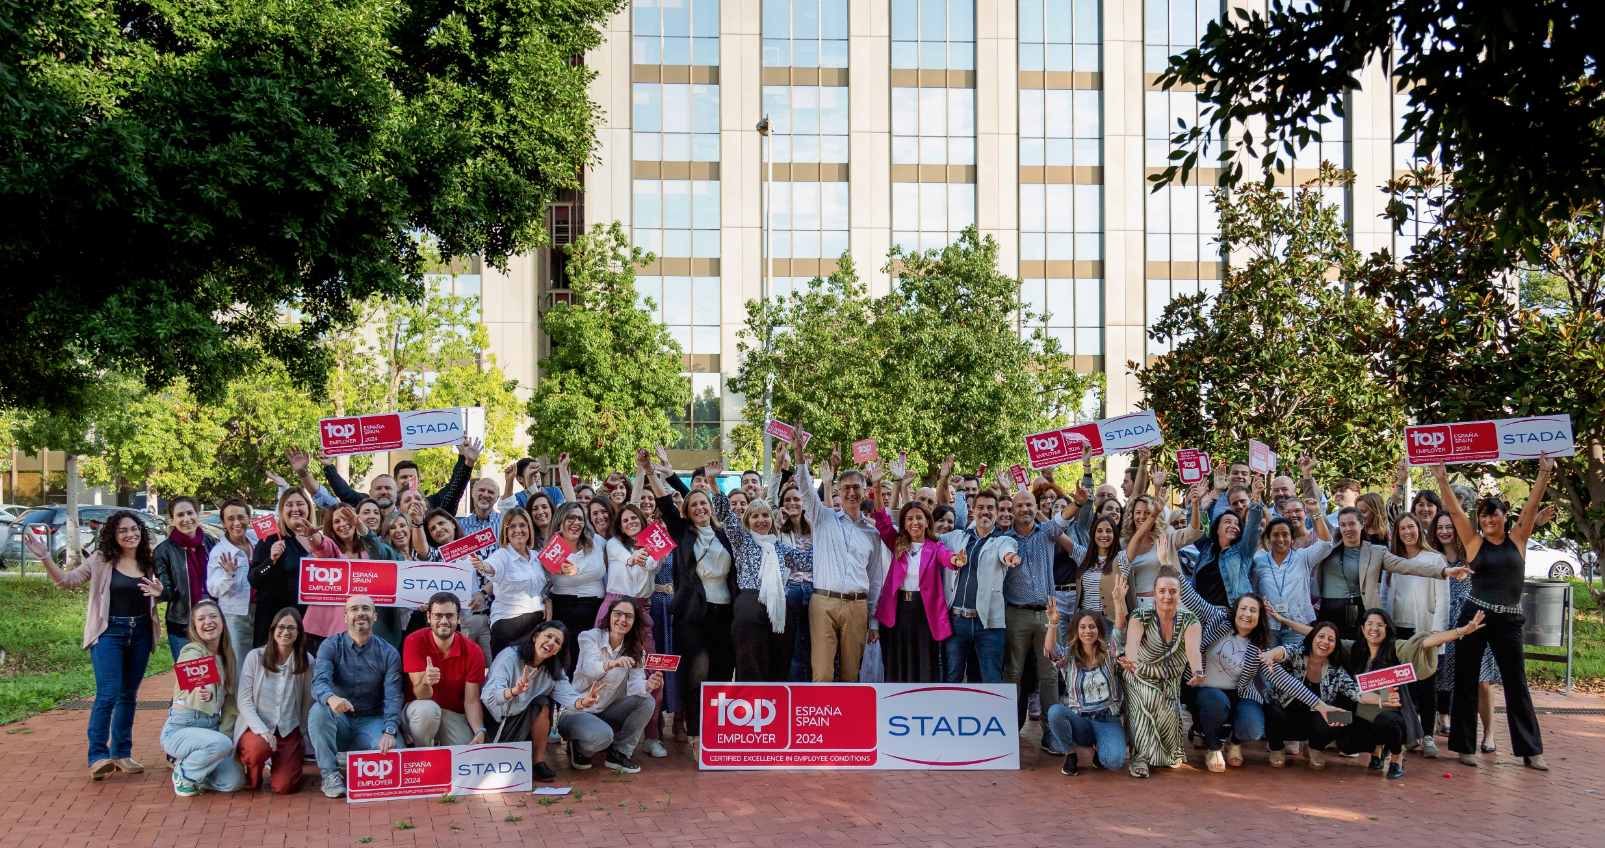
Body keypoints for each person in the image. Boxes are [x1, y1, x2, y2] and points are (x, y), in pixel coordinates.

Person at [1433, 457, 1552, 770]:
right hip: (1475, 618)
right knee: (1466, 679)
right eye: (1483, 515)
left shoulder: (1518, 540)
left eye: (1493, 514)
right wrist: (1442, 478)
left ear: (1504, 517)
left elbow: (1532, 506)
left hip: (1509, 620)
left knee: (1517, 683)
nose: (1487, 519)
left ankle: (1531, 751)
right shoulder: (1474, 542)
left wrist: (1544, 471)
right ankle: (1464, 747)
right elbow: (1455, 512)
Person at [28, 510, 162, 779]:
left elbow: (163, 592)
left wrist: (160, 594)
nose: (130, 534)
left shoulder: (149, 561)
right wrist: (45, 557)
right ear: (113, 535)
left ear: (141, 531)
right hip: (108, 632)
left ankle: (121, 753)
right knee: (108, 694)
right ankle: (98, 756)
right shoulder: (101, 560)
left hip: (141, 633)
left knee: (128, 695)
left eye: (134, 528)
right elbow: (67, 582)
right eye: (123, 530)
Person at [1280, 607, 1482, 779]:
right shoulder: (1355, 649)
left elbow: (1426, 642)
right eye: (1369, 624)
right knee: (1341, 736)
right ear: (1363, 628)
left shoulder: (1396, 648)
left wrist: (1461, 631)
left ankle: (1396, 758)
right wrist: (1283, 621)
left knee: (1385, 721)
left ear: (1387, 628)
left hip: (1391, 715)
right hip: (1361, 715)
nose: (1374, 629)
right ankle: (1373, 749)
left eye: (1380, 625)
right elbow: (1318, 635)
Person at [650, 458, 735, 749]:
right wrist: (650, 472)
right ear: (687, 511)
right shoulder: (683, 532)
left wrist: (710, 481)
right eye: (694, 505)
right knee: (698, 676)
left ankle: (718, 732)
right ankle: (697, 736)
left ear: (711, 507)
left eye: (704, 503)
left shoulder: (725, 534)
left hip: (725, 613)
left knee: (722, 674)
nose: (700, 508)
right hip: (693, 615)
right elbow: (665, 504)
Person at [789, 431, 883, 684]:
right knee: (822, 674)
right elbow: (806, 491)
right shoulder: (823, 518)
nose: (851, 493)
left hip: (857, 607)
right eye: (846, 488)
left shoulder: (872, 534)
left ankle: (847, 713)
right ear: (838, 492)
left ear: (864, 491)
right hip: (823, 603)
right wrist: (798, 453)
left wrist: (874, 622)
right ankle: (823, 712)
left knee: (851, 675)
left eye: (856, 488)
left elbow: (875, 580)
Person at [710, 463, 813, 682]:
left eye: (765, 515)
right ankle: (751, 703)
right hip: (750, 605)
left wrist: (814, 533)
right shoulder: (742, 540)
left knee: (779, 668)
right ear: (747, 521)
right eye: (755, 516)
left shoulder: (779, 546)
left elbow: (806, 562)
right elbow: (726, 514)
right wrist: (712, 482)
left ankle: (775, 702)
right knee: (752, 668)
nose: (760, 520)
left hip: (780, 607)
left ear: (772, 520)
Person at [1000, 483, 1083, 743]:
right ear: (1012, 510)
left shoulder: (1047, 532)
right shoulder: (1005, 540)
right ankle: (1007, 732)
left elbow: (1063, 517)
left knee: (1049, 675)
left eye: (1028, 505)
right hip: (1017, 614)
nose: (1024, 509)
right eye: (1019, 505)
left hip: (1048, 615)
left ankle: (1051, 733)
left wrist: (1078, 502)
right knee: (1013, 673)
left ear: (1036, 508)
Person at [1311, 505, 1468, 641]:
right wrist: (1311, 495)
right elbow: (1318, 519)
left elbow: (1408, 565)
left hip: (1362, 617)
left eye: (1352, 524)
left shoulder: (1376, 552)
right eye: (1343, 525)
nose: (1348, 529)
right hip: (1329, 615)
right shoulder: (1328, 546)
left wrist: (1444, 570)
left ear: (1362, 524)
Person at [308, 594, 405, 798]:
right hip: (340, 722)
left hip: (372, 722)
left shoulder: (389, 653)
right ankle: (330, 775)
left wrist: (389, 731)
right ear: (345, 617)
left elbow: (393, 697)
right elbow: (318, 683)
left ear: (375, 616)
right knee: (319, 710)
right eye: (354, 609)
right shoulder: (330, 646)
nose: (360, 613)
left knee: (395, 755)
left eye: (366, 609)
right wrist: (331, 698)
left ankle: (359, 761)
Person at [872, 488, 964, 684]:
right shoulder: (897, 542)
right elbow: (881, 520)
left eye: (919, 518)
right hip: (897, 610)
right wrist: (877, 487)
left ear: (927, 521)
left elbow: (947, 557)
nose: (915, 522)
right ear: (904, 523)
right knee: (896, 662)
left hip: (924, 612)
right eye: (910, 518)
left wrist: (956, 560)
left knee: (924, 663)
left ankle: (923, 700)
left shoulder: (935, 546)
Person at [564, 598, 665, 773]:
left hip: (606, 712)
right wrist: (612, 663)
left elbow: (635, 685)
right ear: (609, 615)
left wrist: (647, 685)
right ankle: (579, 748)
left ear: (634, 621)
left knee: (647, 700)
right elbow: (588, 669)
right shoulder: (590, 637)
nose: (622, 620)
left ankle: (619, 753)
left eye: (628, 616)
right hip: (577, 711)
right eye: (618, 614)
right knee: (603, 737)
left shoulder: (635, 649)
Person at [1117, 574, 1202, 778]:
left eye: (1173, 591)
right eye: (1162, 591)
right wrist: (1132, 662)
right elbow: (1132, 642)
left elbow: (1193, 649)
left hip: (1170, 677)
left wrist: (1197, 671)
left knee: (1169, 753)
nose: (1167, 596)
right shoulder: (1141, 615)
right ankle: (1139, 758)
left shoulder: (1190, 619)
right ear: (1154, 594)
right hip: (1139, 673)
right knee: (1148, 698)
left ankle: (1164, 751)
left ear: (1180, 594)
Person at [159, 599, 246, 795]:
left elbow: (230, 705)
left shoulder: (228, 656)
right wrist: (202, 690)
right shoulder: (192, 651)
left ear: (222, 621)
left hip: (212, 729)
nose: (208, 622)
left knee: (233, 781)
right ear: (194, 626)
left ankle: (197, 771)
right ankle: (183, 773)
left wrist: (225, 736)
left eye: (213, 616)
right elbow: (193, 675)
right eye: (201, 619)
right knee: (220, 744)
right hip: (182, 729)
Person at [935, 488, 1021, 684]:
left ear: (996, 512)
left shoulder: (1004, 540)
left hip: (989, 622)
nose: (985, 511)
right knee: (952, 677)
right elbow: (930, 539)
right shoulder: (956, 537)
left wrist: (1009, 557)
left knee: (991, 679)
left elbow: (1007, 551)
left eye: (990, 508)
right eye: (980, 507)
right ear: (972, 510)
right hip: (956, 620)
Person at [1431, 511, 1501, 748]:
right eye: (1439, 527)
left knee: (1482, 680)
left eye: (1449, 526)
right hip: (1443, 622)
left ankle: (1488, 733)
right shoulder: (1432, 557)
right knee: (1439, 677)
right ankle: (1435, 730)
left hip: (1473, 619)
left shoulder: (1473, 555)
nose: (1444, 531)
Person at [1383, 512, 1450, 758]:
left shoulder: (1434, 558)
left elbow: (1443, 598)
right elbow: (1384, 593)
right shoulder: (1392, 560)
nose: (1407, 532)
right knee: (1400, 684)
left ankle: (1428, 736)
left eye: (1411, 527)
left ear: (1419, 529)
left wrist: (1437, 631)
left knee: (1426, 683)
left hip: (1424, 629)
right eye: (1402, 529)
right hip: (1398, 629)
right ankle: (1408, 734)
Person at [482, 620, 577, 781]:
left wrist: (584, 701)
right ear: (535, 636)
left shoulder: (553, 668)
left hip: (522, 720)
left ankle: (537, 761)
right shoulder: (509, 656)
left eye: (557, 641)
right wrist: (513, 691)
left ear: (558, 650)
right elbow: (489, 696)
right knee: (541, 702)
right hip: (497, 723)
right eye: (548, 636)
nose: (551, 643)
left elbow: (568, 695)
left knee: (543, 702)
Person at [1043, 599, 1127, 775]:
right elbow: (1051, 651)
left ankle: (1099, 747)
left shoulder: (1108, 653)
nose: (1087, 631)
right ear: (1076, 631)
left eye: (1092, 627)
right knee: (1055, 712)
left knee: (1113, 762)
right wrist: (1053, 624)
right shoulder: (1069, 656)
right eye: (1082, 627)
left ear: (1099, 630)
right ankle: (1070, 753)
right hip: (1081, 720)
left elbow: (1119, 632)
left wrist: (1119, 605)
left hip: (1107, 720)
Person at [1262, 620, 1361, 769]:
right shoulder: (1297, 653)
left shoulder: (1336, 670)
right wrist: (1270, 654)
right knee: (1270, 708)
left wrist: (1381, 700)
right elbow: (1283, 651)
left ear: (1335, 645)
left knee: (1342, 716)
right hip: (1285, 714)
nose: (1325, 642)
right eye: (1321, 636)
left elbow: (1356, 692)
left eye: (1331, 639)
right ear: (1312, 638)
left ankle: (1315, 748)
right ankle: (1276, 748)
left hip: (1312, 720)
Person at [235, 607, 314, 794]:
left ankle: (289, 762)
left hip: (288, 729)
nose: (285, 632)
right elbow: (244, 700)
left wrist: (301, 732)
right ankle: (253, 775)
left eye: (291, 628)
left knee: (284, 787)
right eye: (281, 627)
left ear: (299, 632)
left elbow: (307, 700)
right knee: (257, 749)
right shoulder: (255, 657)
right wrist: (262, 730)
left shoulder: (306, 660)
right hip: (258, 728)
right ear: (273, 630)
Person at [402, 592, 488, 747]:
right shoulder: (414, 640)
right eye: (438, 616)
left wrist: (479, 730)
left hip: (453, 714)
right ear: (429, 617)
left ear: (459, 617)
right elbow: (421, 695)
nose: (444, 621)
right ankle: (422, 755)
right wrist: (426, 681)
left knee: (467, 750)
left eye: (449, 616)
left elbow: (472, 701)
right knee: (427, 710)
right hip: (419, 710)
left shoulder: (473, 650)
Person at [322, 437, 481, 515]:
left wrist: (464, 459)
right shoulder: (376, 503)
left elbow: (454, 487)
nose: (408, 481)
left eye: (412, 477)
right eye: (403, 477)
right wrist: (329, 466)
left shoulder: (432, 503)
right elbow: (345, 494)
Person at [248, 489, 324, 648]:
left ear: (309, 508)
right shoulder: (270, 539)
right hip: (278, 623)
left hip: (311, 623)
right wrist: (271, 560)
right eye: (289, 505)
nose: (295, 509)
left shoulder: (320, 539)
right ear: (282, 510)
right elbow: (254, 579)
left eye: (300, 504)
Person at [473, 508, 551, 659]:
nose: (518, 530)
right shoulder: (502, 555)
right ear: (506, 532)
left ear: (529, 528)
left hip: (537, 625)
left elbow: (546, 585)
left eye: (522, 525)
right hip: (510, 626)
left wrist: (547, 600)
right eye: (512, 527)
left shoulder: (537, 556)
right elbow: (491, 567)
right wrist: (482, 566)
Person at [1252, 510, 1334, 650]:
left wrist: (1316, 512)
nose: (1281, 539)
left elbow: (1326, 544)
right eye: (1275, 535)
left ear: (1292, 537)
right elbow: (1253, 592)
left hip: (1297, 624)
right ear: (1268, 537)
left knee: (1295, 661)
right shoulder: (1258, 562)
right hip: (1269, 625)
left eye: (1285, 535)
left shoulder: (1303, 557)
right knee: (1269, 661)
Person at [545, 501, 608, 674]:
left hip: (595, 612)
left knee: (593, 662)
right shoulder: (552, 547)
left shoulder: (597, 542)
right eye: (571, 518)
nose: (576, 523)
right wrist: (545, 598)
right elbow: (537, 580)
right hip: (564, 611)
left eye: (580, 519)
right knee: (568, 664)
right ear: (560, 520)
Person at [154, 496, 218, 659]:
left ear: (197, 514)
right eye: (180, 515)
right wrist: (161, 591)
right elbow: (167, 593)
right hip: (182, 624)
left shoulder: (209, 541)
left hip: (213, 622)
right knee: (191, 672)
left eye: (190, 513)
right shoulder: (163, 551)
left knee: (218, 670)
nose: (187, 519)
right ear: (172, 520)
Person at [1190, 477, 1265, 608]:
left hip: (1230, 614)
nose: (1233, 526)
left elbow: (1253, 527)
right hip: (1201, 612)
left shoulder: (1243, 550)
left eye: (1237, 524)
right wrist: (1197, 506)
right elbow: (1193, 529)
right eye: (1227, 522)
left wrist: (1256, 498)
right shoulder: (1206, 547)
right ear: (1217, 528)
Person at [205, 499, 256, 661]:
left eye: (241, 517)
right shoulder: (219, 552)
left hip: (262, 611)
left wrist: (283, 489)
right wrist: (228, 575)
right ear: (223, 523)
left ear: (249, 518)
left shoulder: (256, 541)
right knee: (239, 661)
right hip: (236, 615)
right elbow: (213, 589)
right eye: (230, 519)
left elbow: (276, 521)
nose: (237, 523)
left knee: (261, 659)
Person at [776, 477, 815, 682]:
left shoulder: (815, 529)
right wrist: (777, 522)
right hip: (790, 591)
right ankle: (795, 689)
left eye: (797, 499)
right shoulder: (780, 531)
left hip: (814, 591)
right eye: (787, 500)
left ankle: (812, 689)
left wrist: (814, 529)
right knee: (793, 645)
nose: (792, 503)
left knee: (813, 644)